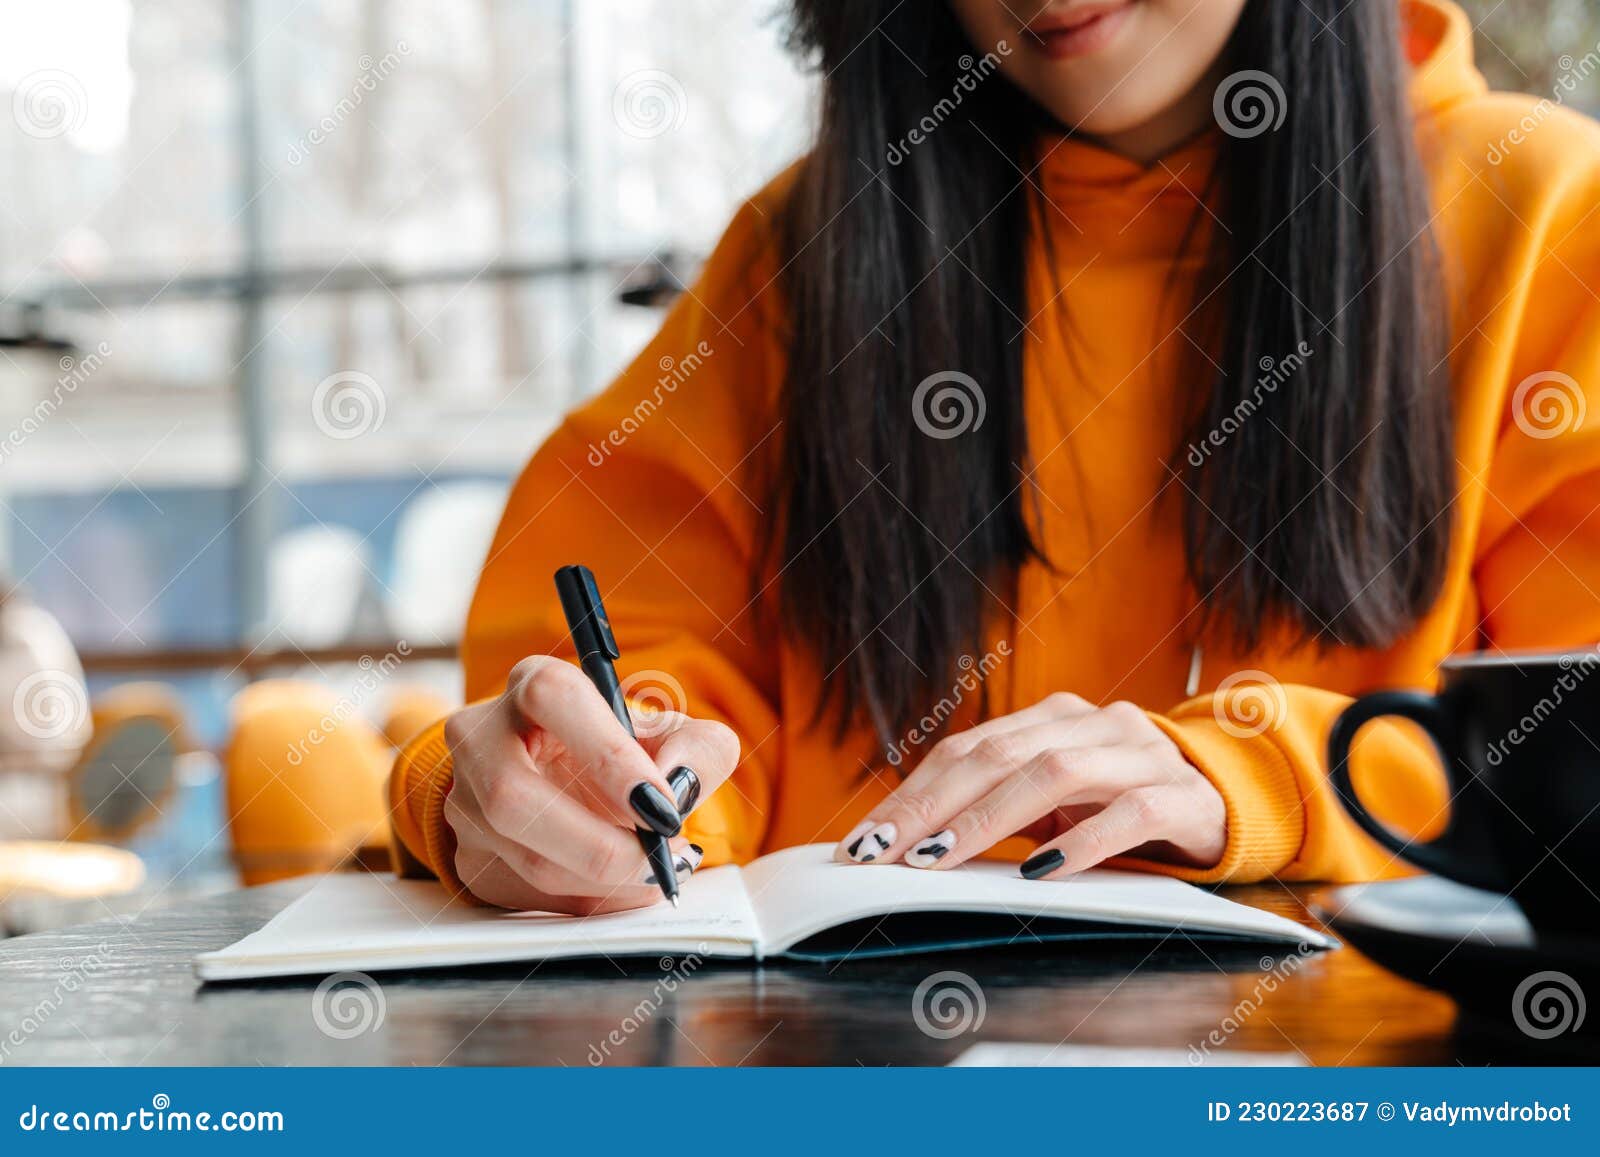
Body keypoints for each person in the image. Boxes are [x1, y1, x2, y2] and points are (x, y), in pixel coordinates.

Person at [389, 0, 1600, 912]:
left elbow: (1569, 759)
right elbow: (635, 679)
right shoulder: (800, 255)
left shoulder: (1549, 209)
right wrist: (545, 789)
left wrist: (1261, 777)